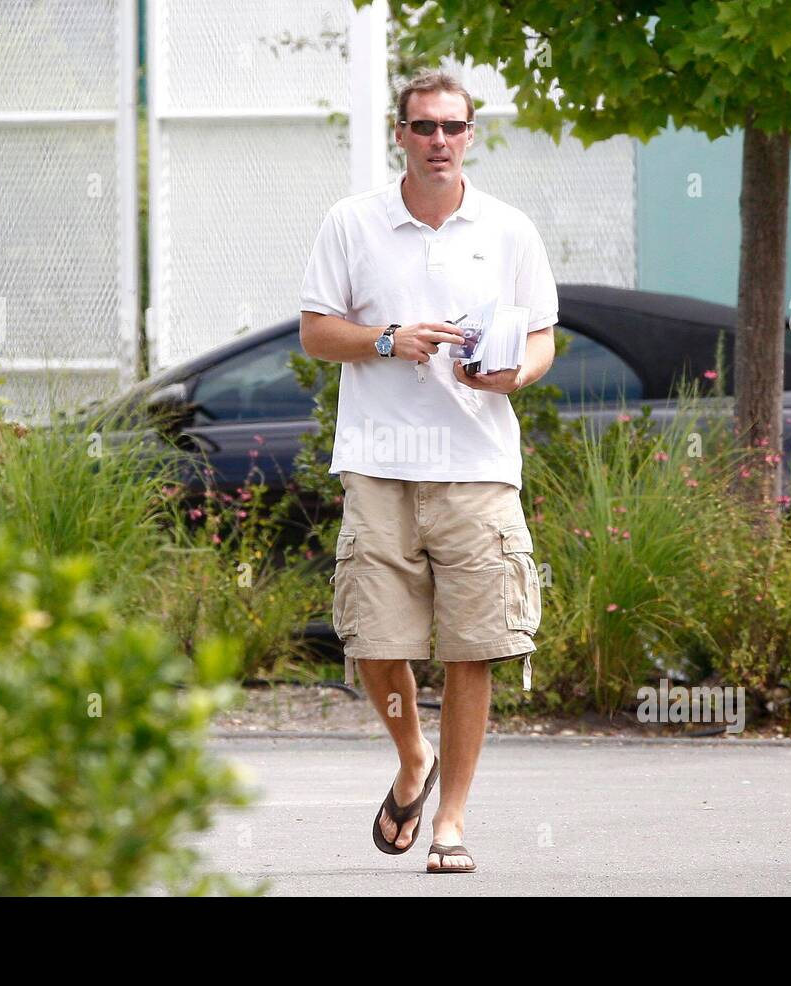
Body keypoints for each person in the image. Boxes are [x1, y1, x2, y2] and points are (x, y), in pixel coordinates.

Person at [298, 68, 557, 873]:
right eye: (424, 127)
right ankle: (413, 759)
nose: (438, 140)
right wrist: (386, 340)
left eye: (452, 127)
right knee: (377, 638)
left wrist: (511, 376)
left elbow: (543, 339)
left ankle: (450, 822)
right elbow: (314, 333)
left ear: (471, 135)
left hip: (478, 465)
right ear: (399, 134)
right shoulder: (353, 223)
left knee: (473, 647)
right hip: (378, 463)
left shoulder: (508, 229)